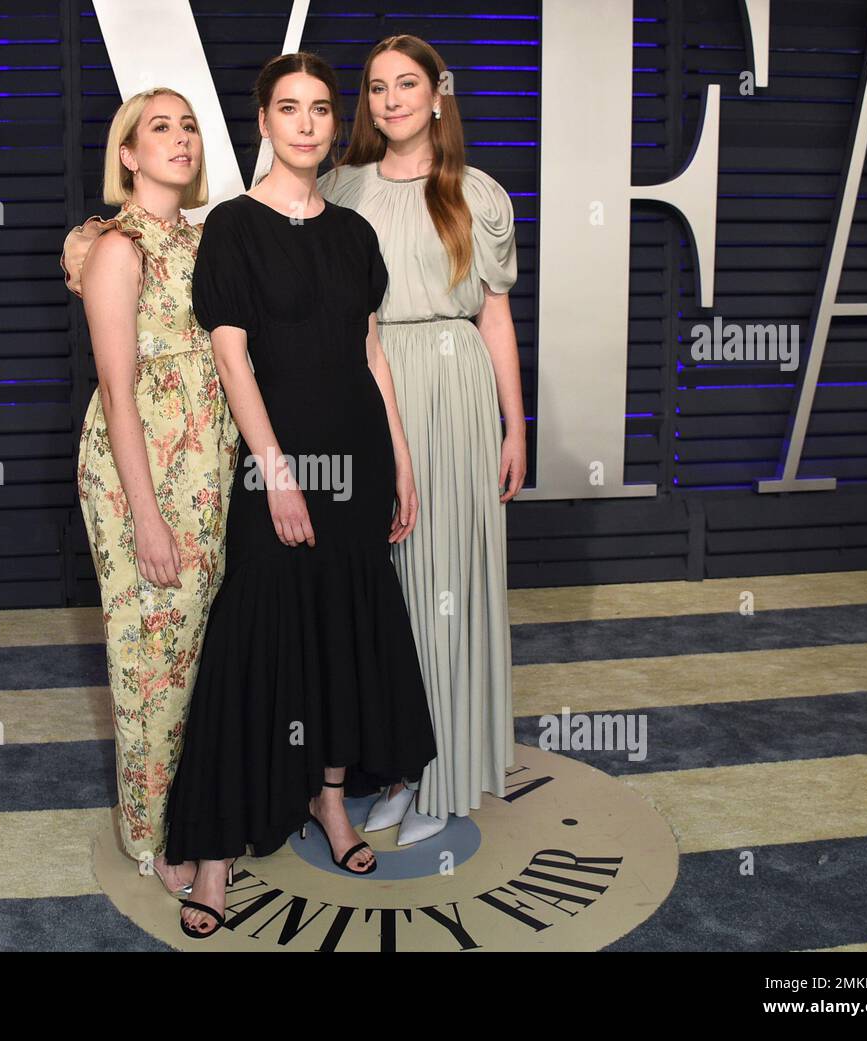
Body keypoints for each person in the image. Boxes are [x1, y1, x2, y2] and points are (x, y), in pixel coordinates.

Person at [163, 52, 438, 939]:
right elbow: (231, 357)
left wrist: (401, 459)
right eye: (290, 108)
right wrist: (276, 470)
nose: (309, 124)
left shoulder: (353, 234)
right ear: (264, 122)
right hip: (278, 464)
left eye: (321, 108)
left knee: (340, 632)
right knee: (254, 640)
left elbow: (370, 353)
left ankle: (330, 800)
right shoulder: (234, 226)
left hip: (360, 459)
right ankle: (214, 853)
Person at [317, 34, 525, 844]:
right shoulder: (341, 189)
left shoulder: (477, 193)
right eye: (376, 88)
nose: (391, 100)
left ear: (438, 94)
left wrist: (515, 424)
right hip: (367, 386)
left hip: (452, 384)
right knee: (387, 590)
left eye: (407, 84)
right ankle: (397, 764)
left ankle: (442, 776)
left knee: (447, 580)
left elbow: (495, 315)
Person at [62, 87, 239, 896]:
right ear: (128, 155)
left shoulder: (206, 240)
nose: (180, 138)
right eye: (159, 127)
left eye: (189, 125)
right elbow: (116, 387)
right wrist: (146, 516)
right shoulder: (116, 249)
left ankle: (197, 809)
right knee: (150, 654)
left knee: (196, 652)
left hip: (207, 469)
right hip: (142, 473)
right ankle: (152, 834)